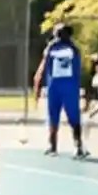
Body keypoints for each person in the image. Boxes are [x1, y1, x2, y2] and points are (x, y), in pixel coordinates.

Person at [32, 23, 87, 159]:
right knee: (53, 117)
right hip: (55, 88)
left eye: (59, 32)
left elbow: (79, 70)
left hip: (69, 88)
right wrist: (37, 83)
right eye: (56, 32)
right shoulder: (52, 48)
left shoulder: (73, 49)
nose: (57, 35)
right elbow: (43, 67)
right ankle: (53, 146)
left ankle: (78, 145)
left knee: (73, 118)